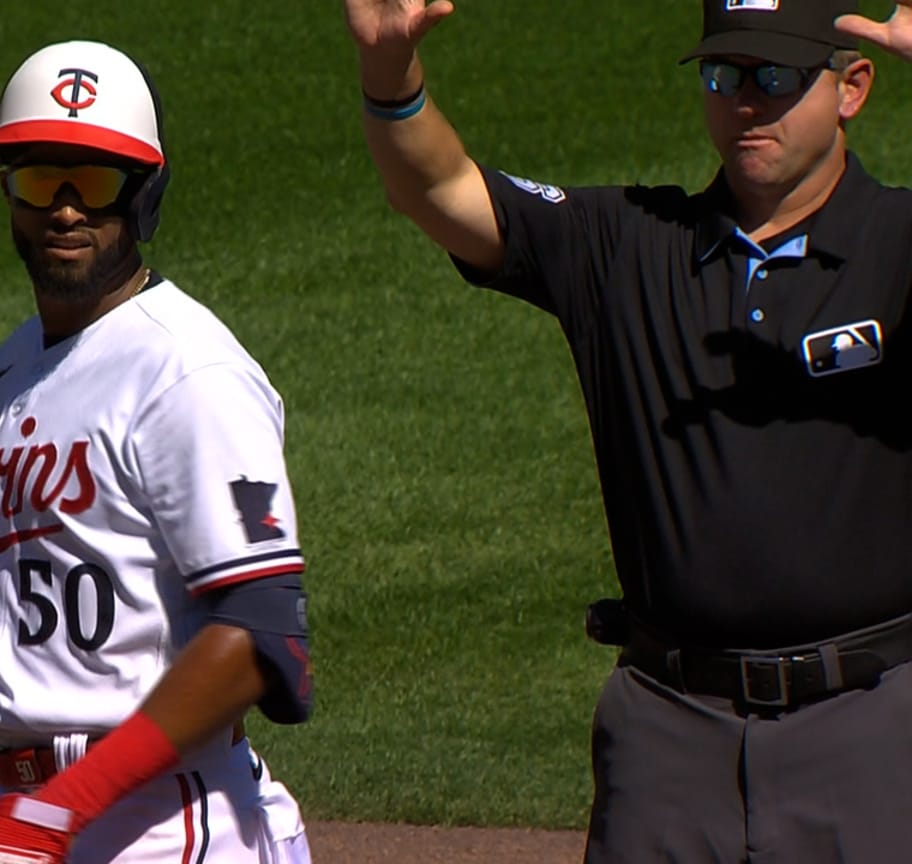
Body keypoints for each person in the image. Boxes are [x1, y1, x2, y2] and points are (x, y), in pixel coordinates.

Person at [342, 0, 911, 861]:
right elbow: (436, 188)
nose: (747, 101)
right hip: (668, 739)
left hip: (869, 728)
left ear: (851, 87)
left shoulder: (901, 243)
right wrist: (390, 73)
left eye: (778, 78)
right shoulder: (625, 243)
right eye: (725, 76)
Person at [0, 39, 314, 864]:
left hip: (164, 824)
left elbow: (260, 631)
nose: (67, 209)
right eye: (42, 178)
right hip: (25, 815)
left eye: (96, 181)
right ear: (8, 191)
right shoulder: (11, 368)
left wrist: (59, 810)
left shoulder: (187, 368)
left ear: (142, 196)